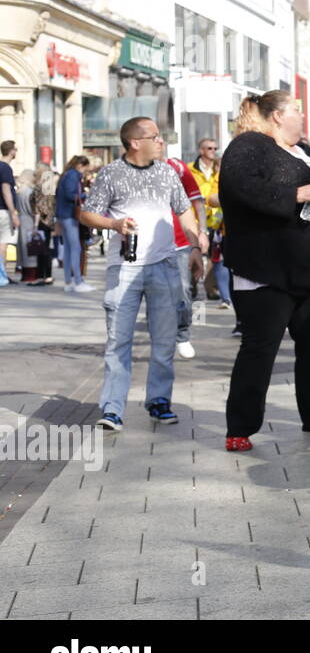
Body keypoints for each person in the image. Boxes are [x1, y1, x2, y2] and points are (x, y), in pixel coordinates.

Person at [218, 91, 310, 451]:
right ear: (277, 116)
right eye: (296, 110)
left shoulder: (306, 151)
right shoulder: (249, 146)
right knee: (260, 348)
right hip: (267, 270)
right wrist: (292, 195)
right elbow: (238, 189)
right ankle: (240, 426)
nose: (302, 115)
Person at [79, 118, 207, 431]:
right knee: (118, 341)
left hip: (164, 265)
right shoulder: (111, 174)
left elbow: (183, 210)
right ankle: (112, 409)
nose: (161, 141)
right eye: (155, 137)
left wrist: (196, 244)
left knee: (164, 340)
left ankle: (159, 401)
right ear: (136, 142)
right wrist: (114, 225)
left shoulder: (167, 172)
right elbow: (86, 213)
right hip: (123, 269)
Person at [166, 157, 207, 359]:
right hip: (148, 246)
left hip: (181, 241)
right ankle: (161, 336)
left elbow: (197, 203)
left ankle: (183, 335)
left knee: (184, 288)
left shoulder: (178, 167)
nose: (159, 142)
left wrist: (202, 234)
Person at [190, 138, 230, 308]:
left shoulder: (219, 170)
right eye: (209, 148)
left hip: (216, 221)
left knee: (216, 258)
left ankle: (210, 287)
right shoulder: (189, 169)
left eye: (215, 148)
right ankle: (192, 284)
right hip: (195, 220)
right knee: (196, 253)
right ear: (201, 150)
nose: (213, 150)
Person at [53, 156, 92, 292]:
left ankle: (69, 281)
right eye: (86, 168)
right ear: (81, 165)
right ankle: (78, 281)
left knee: (69, 249)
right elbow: (71, 195)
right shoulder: (73, 175)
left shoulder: (66, 174)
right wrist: (85, 196)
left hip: (63, 214)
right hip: (69, 214)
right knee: (75, 248)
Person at [0, 139, 16, 286]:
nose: (16, 152)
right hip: (3, 210)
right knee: (3, 244)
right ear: (11, 151)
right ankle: (2, 275)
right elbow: (6, 190)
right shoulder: (5, 168)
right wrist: (13, 212)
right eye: (15, 149)